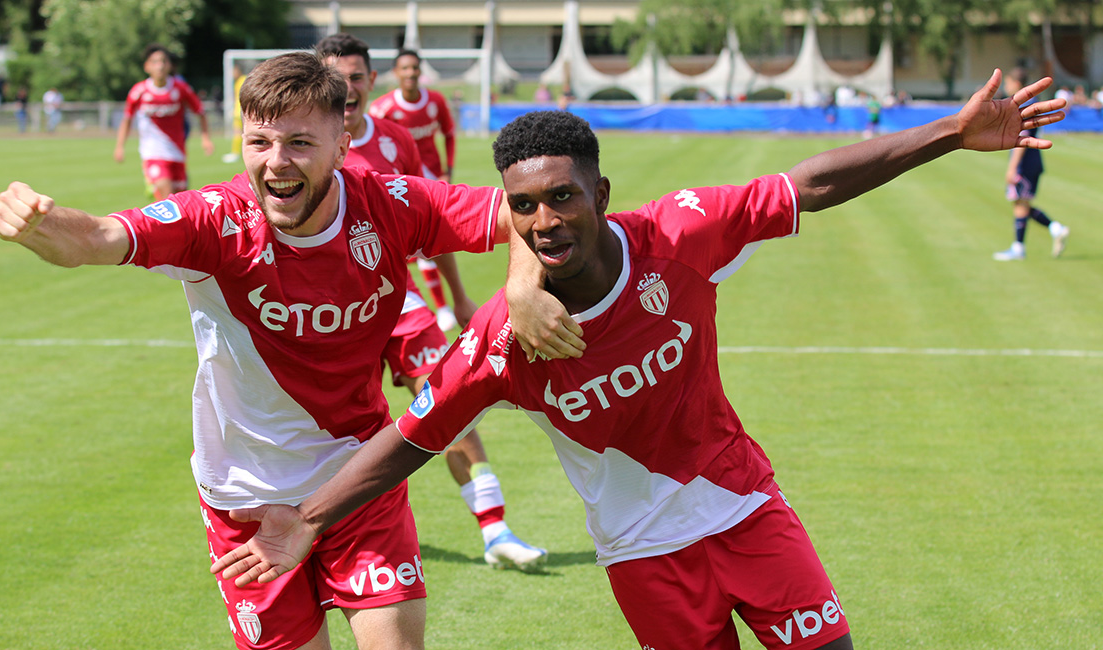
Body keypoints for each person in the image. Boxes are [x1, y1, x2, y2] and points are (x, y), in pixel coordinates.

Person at [210, 69, 1066, 650]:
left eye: (563, 198)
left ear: (599, 196)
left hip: (744, 510)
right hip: (642, 556)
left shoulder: (681, 236)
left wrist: (951, 133)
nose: (546, 221)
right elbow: (412, 436)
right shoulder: (503, 346)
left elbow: (809, 186)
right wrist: (310, 517)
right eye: (524, 208)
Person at [0, 51, 576, 650]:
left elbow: (525, 211)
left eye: (299, 142)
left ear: (343, 143)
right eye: (259, 142)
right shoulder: (214, 219)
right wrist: (41, 227)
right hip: (244, 500)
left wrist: (522, 288)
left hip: (357, 483)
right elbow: (97, 237)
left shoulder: (389, 204)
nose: (276, 163)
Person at [317, 32, 547, 572]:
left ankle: (496, 532)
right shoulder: (301, 142)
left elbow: (435, 219)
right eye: (336, 79)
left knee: (446, 401)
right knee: (326, 426)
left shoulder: (396, 140)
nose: (346, 90)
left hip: (396, 300)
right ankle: (313, 527)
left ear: (372, 82)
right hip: (321, 311)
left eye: (355, 78)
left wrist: (460, 295)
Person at [369, 49, 460, 328]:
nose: (410, 73)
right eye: (404, 68)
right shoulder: (382, 109)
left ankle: (443, 307)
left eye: (414, 68)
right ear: (396, 73)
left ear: (421, 71)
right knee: (406, 247)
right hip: (402, 184)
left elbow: (449, 134)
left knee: (432, 239)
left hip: (431, 179)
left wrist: (448, 169)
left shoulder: (435, 101)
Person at [114, 44, 214, 201]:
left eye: (163, 61)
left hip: (177, 152)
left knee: (181, 200)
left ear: (169, 65)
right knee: (167, 195)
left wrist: (206, 138)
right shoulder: (139, 91)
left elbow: (200, 112)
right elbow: (127, 119)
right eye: (154, 62)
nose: (159, 66)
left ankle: (154, 190)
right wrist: (120, 147)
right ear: (147, 66)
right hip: (152, 152)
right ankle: (156, 187)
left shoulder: (180, 89)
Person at [993, 68, 1070, 261]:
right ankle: (1053, 230)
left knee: (1020, 203)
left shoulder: (1026, 105)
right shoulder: (1030, 103)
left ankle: (1021, 247)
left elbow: (1023, 137)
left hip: (1026, 163)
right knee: (1021, 203)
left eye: (1008, 82)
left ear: (1016, 83)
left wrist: (1012, 167)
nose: (1006, 86)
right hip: (1032, 161)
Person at [223, 62, 248, 164]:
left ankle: (236, 153)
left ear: (238, 70)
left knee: (239, 133)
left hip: (240, 111)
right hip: (239, 111)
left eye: (233, 71)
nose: (232, 73)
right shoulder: (239, 81)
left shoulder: (242, 80)